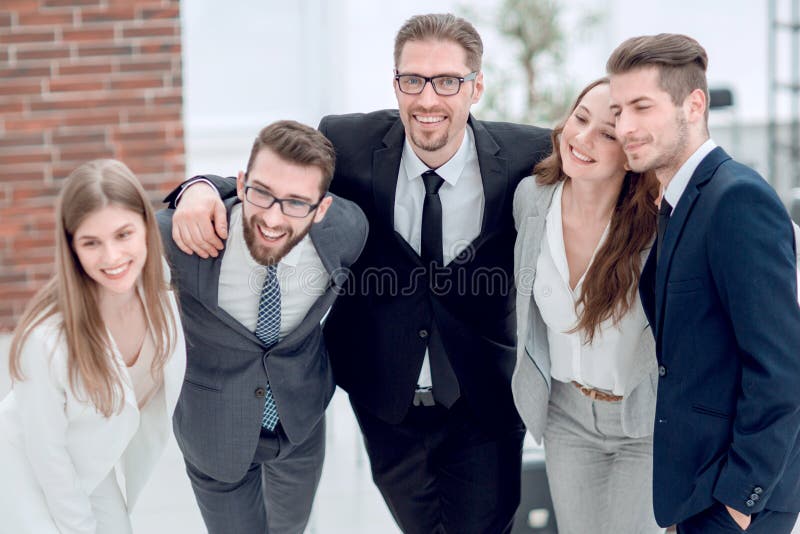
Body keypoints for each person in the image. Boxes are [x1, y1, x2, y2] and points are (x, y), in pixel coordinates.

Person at [167, 13, 551, 534]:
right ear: (396, 83)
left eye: (447, 81)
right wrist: (200, 188)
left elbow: (599, 173)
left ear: (476, 85)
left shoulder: (529, 152)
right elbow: (274, 180)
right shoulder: (347, 142)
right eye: (411, 80)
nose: (427, 99)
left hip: (482, 399)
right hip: (386, 401)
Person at [607, 34, 800, 534]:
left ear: (694, 105)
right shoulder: (679, 203)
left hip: (736, 503)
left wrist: (738, 503)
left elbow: (780, 370)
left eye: (641, 107)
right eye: (618, 109)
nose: (624, 126)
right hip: (694, 494)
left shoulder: (737, 200)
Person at [157, 120, 368, 534]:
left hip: (300, 422)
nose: (272, 217)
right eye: (262, 193)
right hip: (213, 428)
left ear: (321, 208)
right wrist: (197, 186)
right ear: (240, 184)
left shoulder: (347, 231)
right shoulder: (179, 239)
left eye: (295, 203)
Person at [0, 159, 186, 534]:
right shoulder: (46, 339)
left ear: (147, 229)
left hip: (90, 463)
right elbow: (48, 457)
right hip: (23, 469)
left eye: (123, 235)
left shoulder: (163, 293)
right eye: (91, 243)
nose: (112, 257)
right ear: (72, 248)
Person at [512, 78, 663, 533]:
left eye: (607, 134)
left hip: (644, 424)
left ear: (631, 152)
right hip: (566, 417)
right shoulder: (530, 199)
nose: (582, 138)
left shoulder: (658, 223)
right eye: (580, 119)